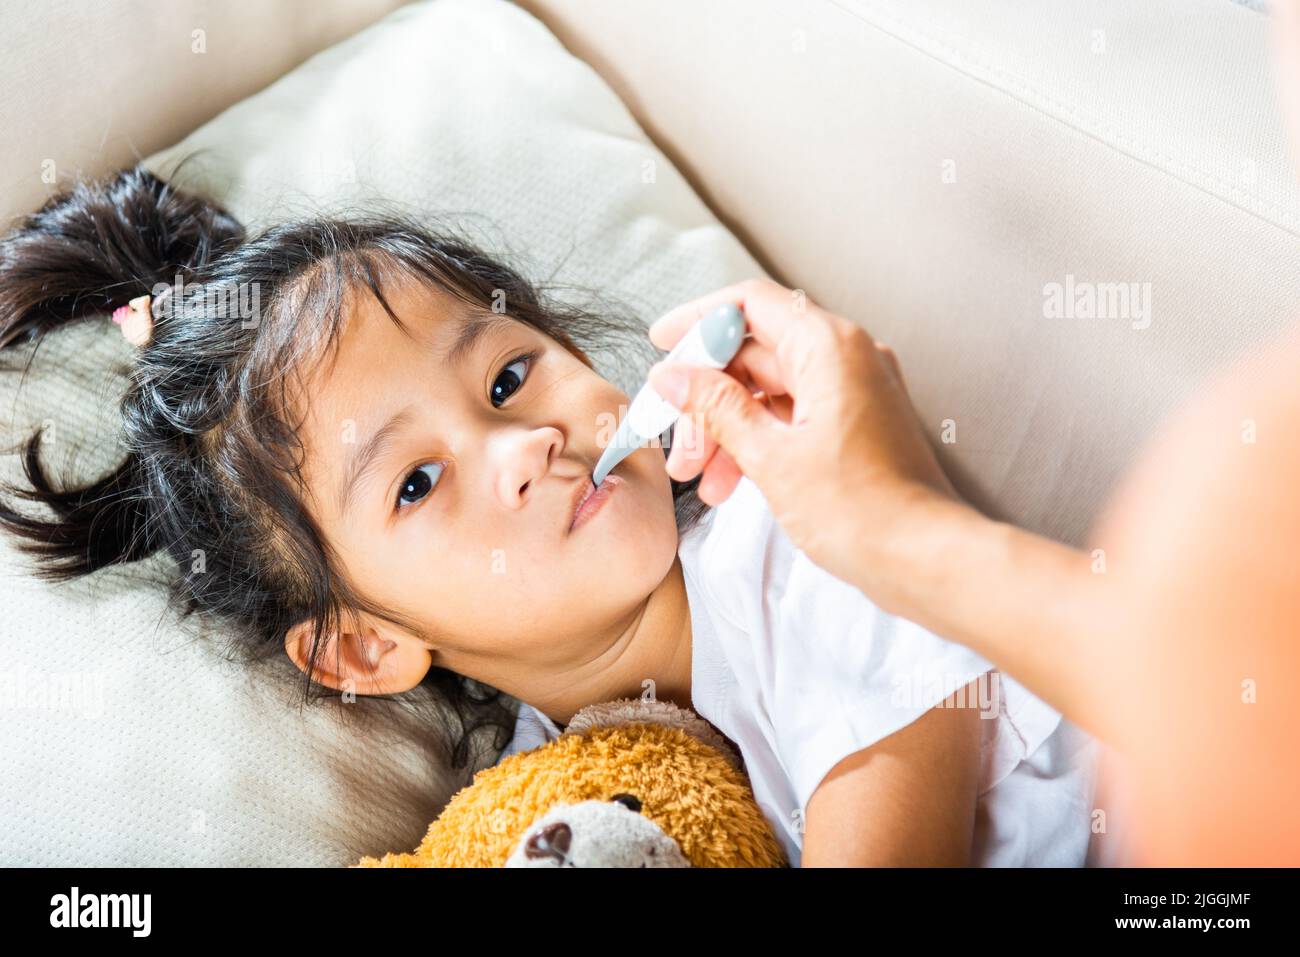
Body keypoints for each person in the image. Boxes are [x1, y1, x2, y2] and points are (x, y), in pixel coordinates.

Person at [645, 275, 1300, 866]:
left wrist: (898, 529)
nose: (538, 446)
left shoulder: (769, 522)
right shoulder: (546, 762)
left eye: (533, 372)